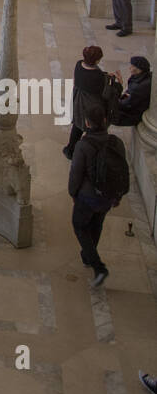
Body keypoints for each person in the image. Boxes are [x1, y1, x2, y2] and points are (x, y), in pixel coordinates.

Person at [68, 106, 129, 289]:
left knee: (79, 225)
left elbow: (76, 174)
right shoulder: (116, 142)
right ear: (104, 122)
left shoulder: (83, 145)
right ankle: (88, 256)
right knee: (97, 223)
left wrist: (73, 193)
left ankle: (98, 266)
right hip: (109, 196)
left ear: (87, 123)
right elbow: (121, 170)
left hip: (88, 197)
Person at [62, 44, 108, 160]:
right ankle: (87, 152)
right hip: (90, 103)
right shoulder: (97, 75)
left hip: (78, 99)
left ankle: (70, 149)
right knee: (92, 128)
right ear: (96, 60)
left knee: (77, 126)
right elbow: (101, 89)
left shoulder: (78, 64)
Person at [111, 55, 151, 127]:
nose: (130, 68)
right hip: (134, 104)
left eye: (132, 66)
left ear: (139, 69)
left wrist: (113, 101)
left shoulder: (138, 87)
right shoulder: (142, 76)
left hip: (134, 114)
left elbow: (126, 104)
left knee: (108, 114)